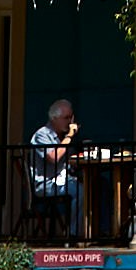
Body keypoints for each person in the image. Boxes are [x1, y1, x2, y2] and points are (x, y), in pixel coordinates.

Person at [29, 95, 82, 232]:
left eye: (71, 118)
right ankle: (74, 234)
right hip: (46, 184)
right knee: (81, 191)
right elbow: (53, 157)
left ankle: (100, 229)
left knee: (99, 186)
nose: (70, 122)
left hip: (66, 179)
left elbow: (71, 161)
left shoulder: (64, 137)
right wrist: (69, 137)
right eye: (66, 118)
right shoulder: (42, 135)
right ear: (54, 118)